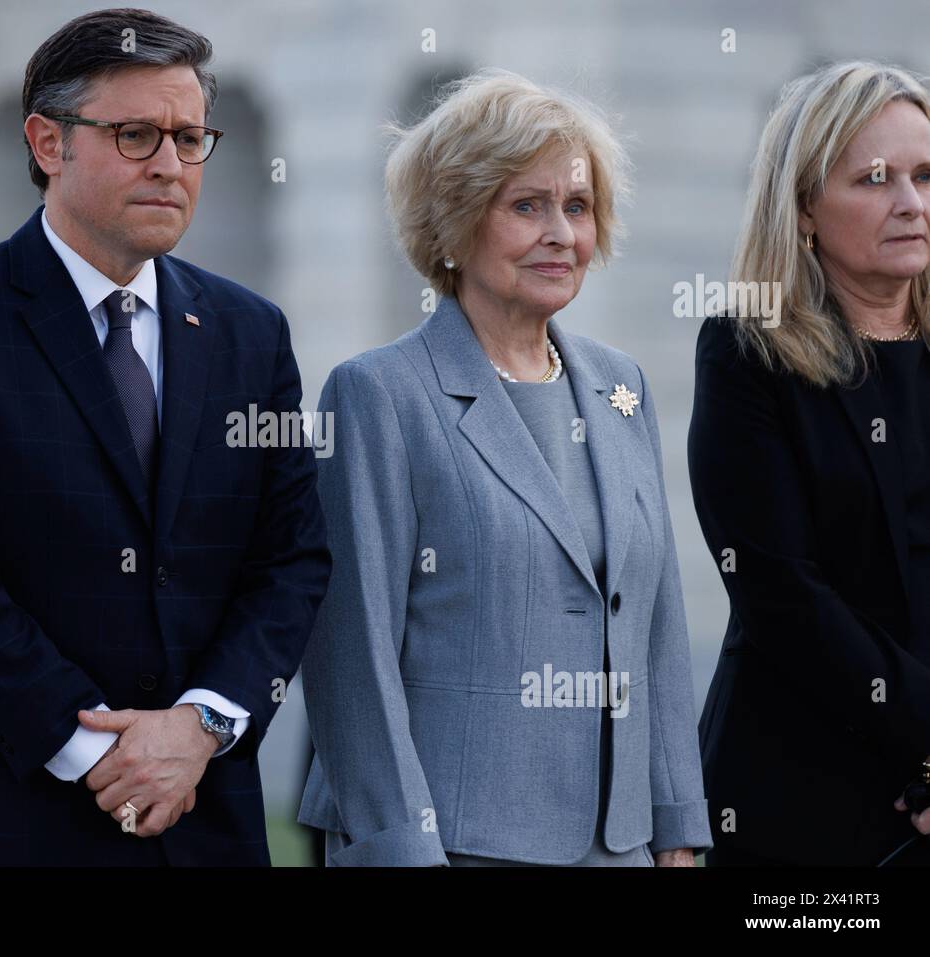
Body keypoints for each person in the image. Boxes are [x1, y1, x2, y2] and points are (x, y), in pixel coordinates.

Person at [0, 8, 330, 866]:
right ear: (48, 143)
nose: (170, 165)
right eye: (136, 134)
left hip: (198, 822)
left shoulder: (251, 333)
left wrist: (202, 725)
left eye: (189, 138)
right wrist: (104, 754)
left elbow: (291, 559)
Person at [297, 69, 711, 866]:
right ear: (452, 226)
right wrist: (400, 850)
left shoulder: (621, 385)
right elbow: (352, 656)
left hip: (620, 848)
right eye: (527, 205)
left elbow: (653, 630)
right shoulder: (378, 394)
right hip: (453, 843)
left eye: (578, 207)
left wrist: (677, 834)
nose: (561, 233)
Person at [690, 60, 930, 866]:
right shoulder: (746, 353)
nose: (912, 203)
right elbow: (780, 589)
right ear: (801, 211)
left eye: (926, 176)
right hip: (801, 794)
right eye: (874, 178)